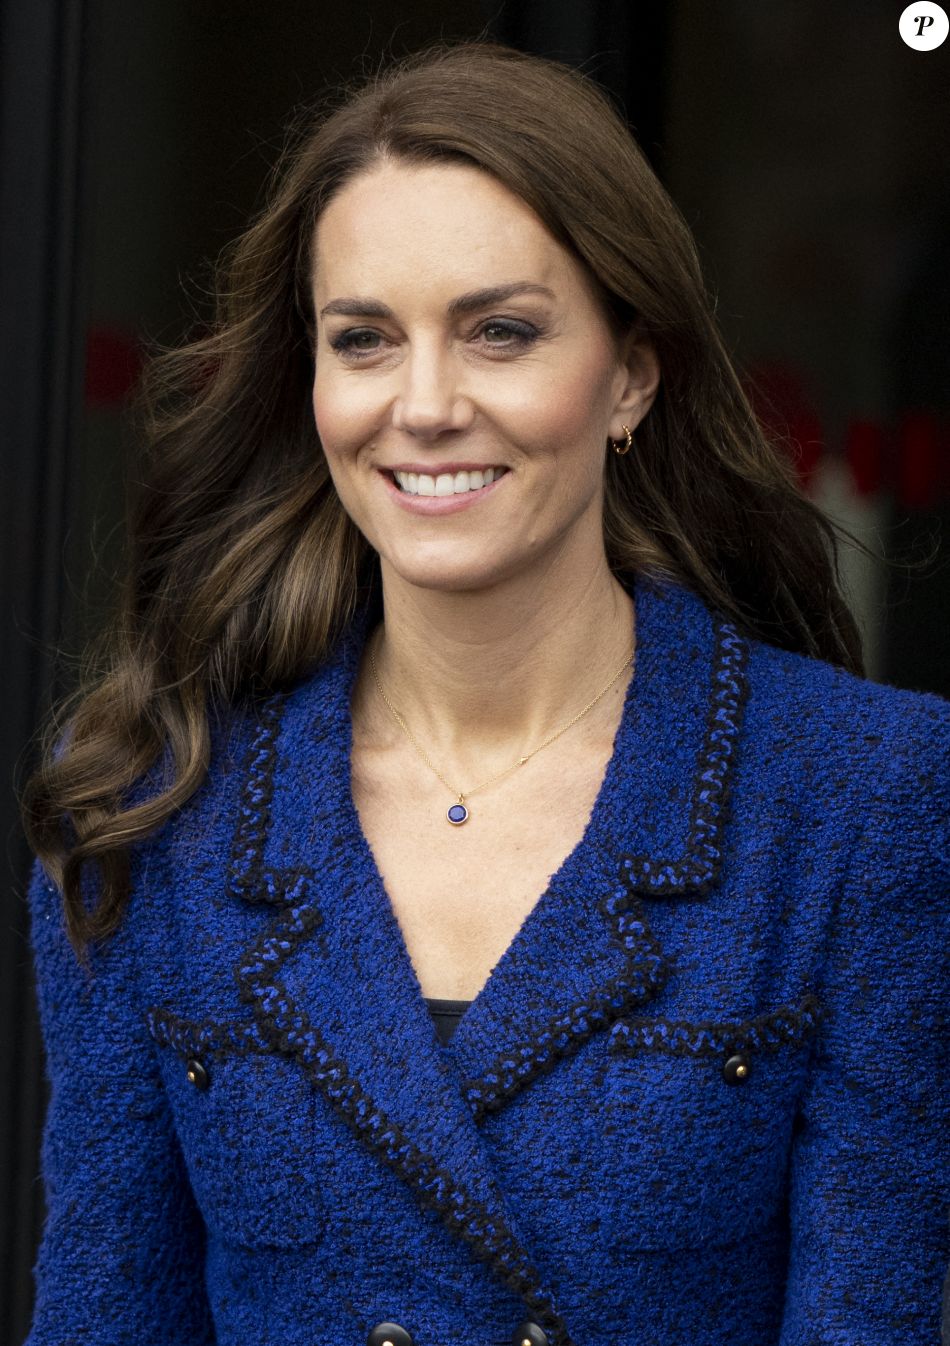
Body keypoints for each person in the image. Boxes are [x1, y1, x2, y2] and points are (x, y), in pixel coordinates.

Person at [19, 40, 949, 1346]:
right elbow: (106, 1310)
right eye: (363, 340)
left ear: (631, 373)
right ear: (312, 380)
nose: (426, 404)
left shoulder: (860, 792)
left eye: (498, 331)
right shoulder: (155, 796)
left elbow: (873, 1316)